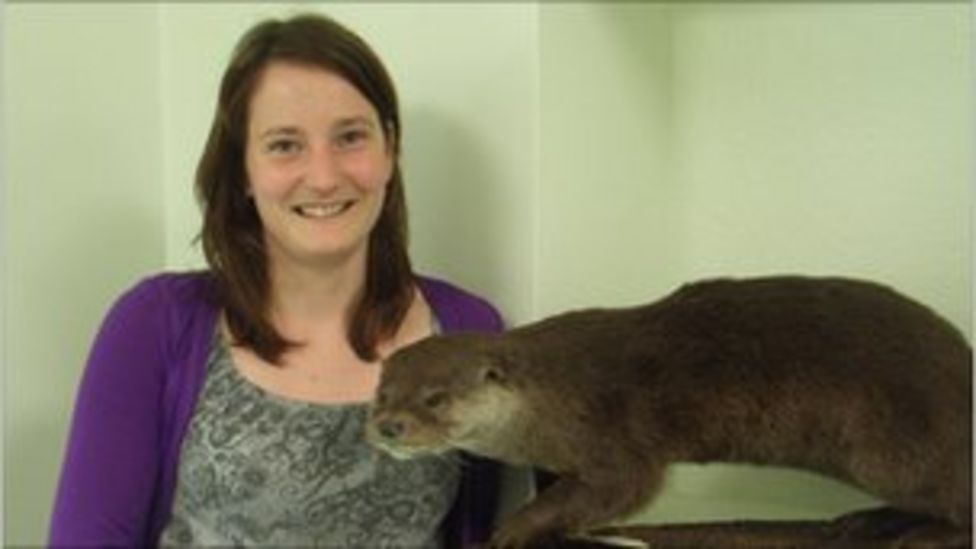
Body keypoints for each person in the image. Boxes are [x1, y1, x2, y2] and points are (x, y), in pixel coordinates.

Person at [49, 13, 504, 548]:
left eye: (351, 137)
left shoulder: (470, 331)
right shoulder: (153, 324)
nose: (324, 176)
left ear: (391, 147)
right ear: (243, 168)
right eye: (285, 144)